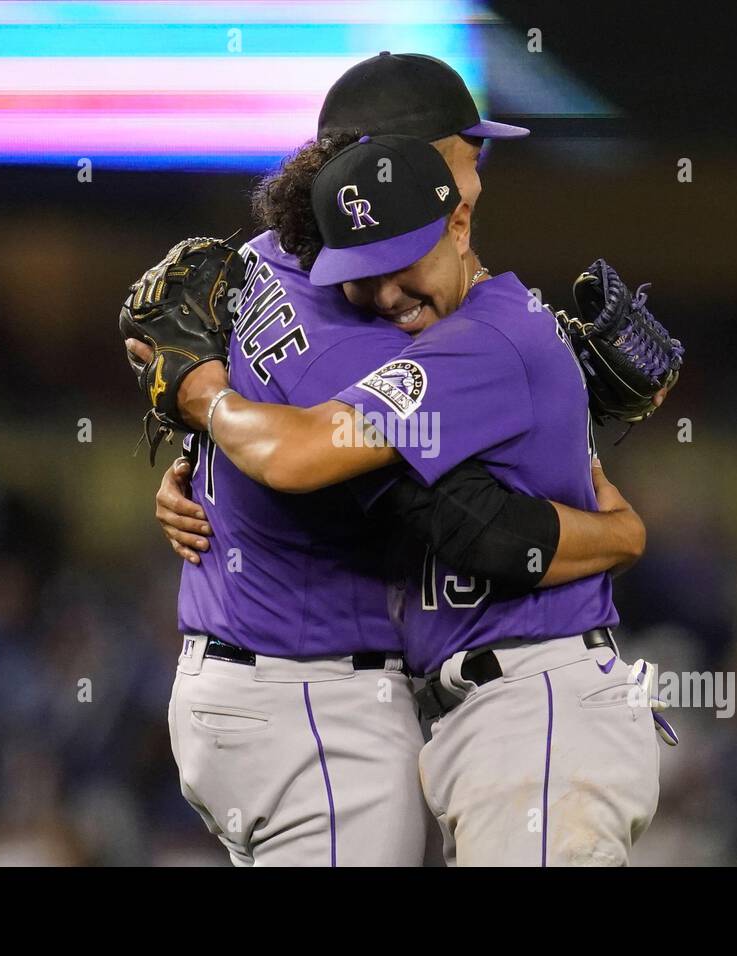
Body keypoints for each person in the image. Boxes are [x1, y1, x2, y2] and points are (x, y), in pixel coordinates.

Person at [133, 53, 653, 867]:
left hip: (486, 702)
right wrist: (620, 535)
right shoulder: (407, 336)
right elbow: (471, 524)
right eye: (462, 151)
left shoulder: (266, 261)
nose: (477, 175)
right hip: (325, 704)